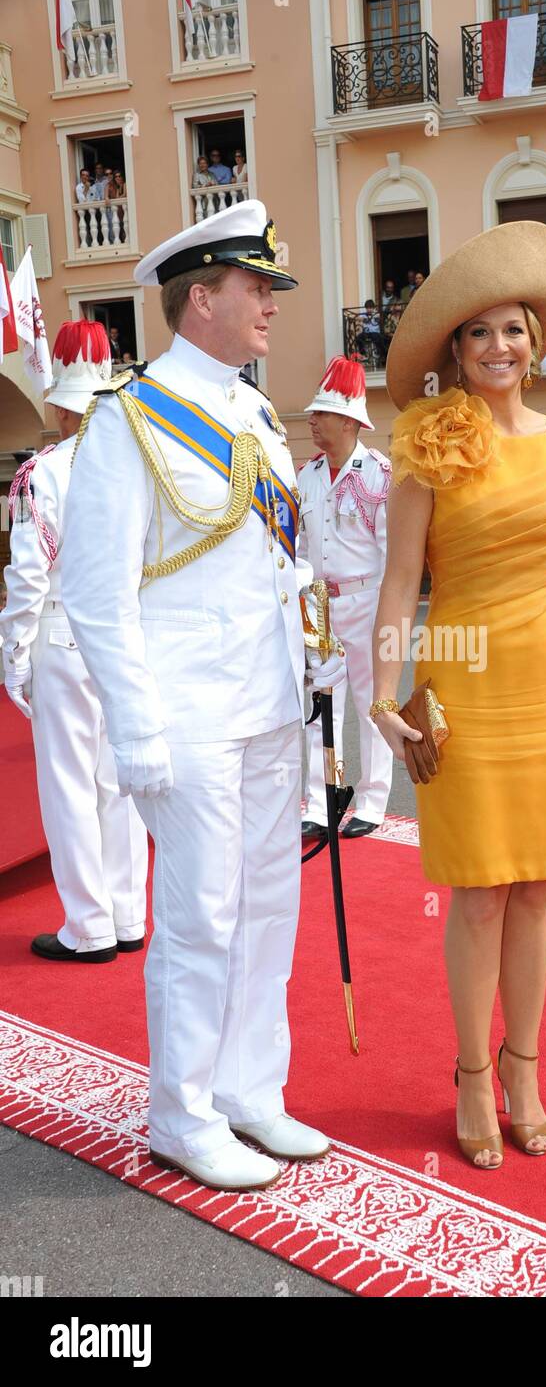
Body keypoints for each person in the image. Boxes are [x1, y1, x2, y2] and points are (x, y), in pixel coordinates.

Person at [62, 200, 346, 1192]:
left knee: (269, 906)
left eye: (269, 288)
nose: (269, 303)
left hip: (266, 703)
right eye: (254, 287)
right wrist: (135, 727)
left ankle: (247, 1090)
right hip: (183, 712)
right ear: (198, 303)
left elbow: (277, 563)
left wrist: (312, 650)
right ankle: (180, 1112)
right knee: (199, 916)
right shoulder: (128, 421)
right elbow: (95, 595)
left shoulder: (255, 416)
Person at [371, 221, 546, 1170]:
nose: (495, 348)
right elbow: (402, 582)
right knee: (478, 893)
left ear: (537, 341)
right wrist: (383, 698)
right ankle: (473, 1075)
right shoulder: (429, 442)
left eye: (511, 330)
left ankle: (526, 1072)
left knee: (537, 890)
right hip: (467, 686)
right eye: (476, 334)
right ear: (455, 350)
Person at [0, 320, 149, 964]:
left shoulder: (44, 471)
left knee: (68, 785)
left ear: (64, 406)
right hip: (124, 635)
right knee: (118, 782)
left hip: (62, 637)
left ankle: (89, 927)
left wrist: (12, 654)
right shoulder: (139, 466)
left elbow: (27, 575)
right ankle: (129, 914)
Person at [299, 357, 393, 841]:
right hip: (318, 605)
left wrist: (387, 616)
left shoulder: (378, 475)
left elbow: (389, 552)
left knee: (372, 704)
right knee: (321, 705)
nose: (312, 421)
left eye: (322, 413)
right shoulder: (307, 476)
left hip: (366, 601)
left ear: (350, 420)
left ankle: (373, 800)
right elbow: (296, 546)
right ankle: (323, 797)